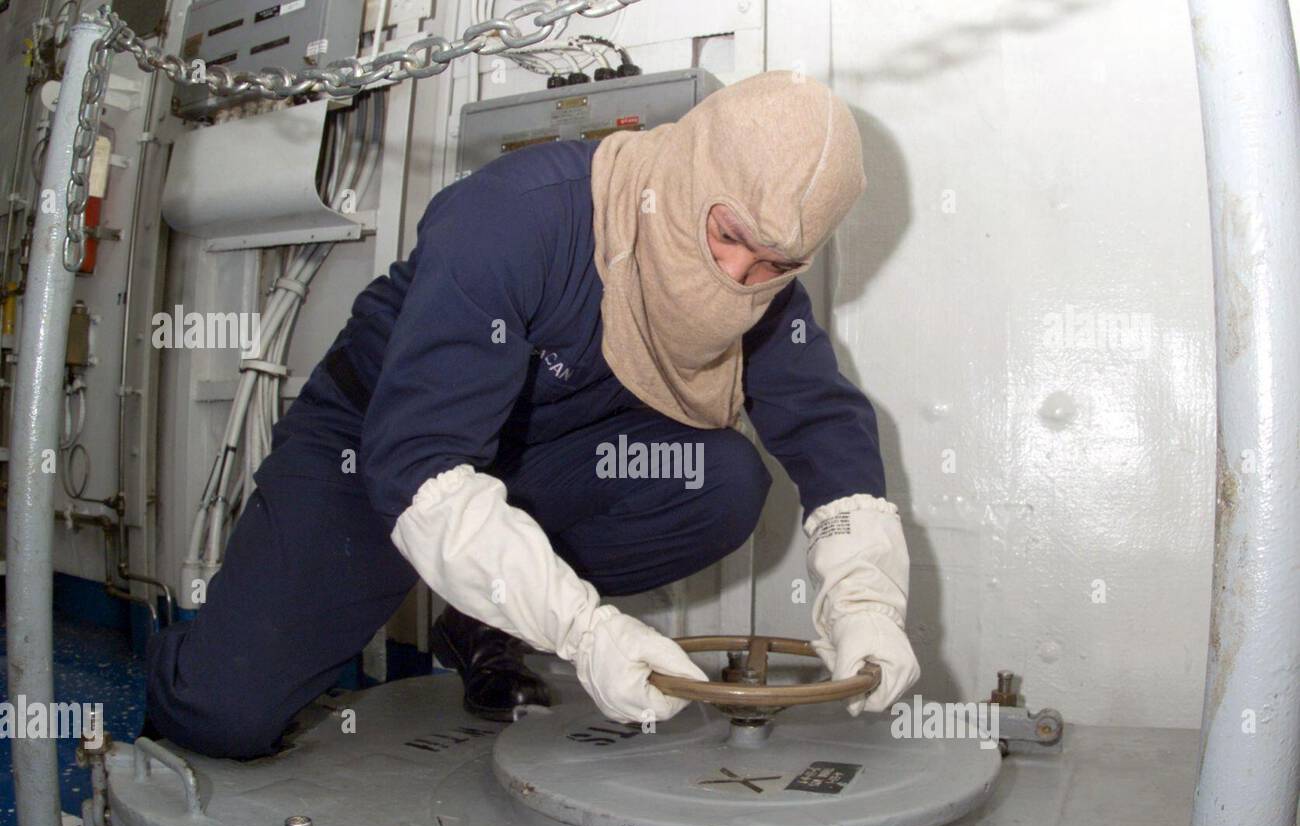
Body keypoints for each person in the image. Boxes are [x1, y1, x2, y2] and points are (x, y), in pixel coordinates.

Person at [144, 70, 921, 759]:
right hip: (384, 445)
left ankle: (486, 619)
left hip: (536, 459)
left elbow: (823, 424)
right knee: (225, 714)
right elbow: (419, 468)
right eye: (727, 240)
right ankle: (200, 653)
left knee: (721, 483)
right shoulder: (514, 217)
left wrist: (865, 600)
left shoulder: (760, 284)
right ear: (689, 172)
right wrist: (587, 632)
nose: (736, 279)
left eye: (772, 266)